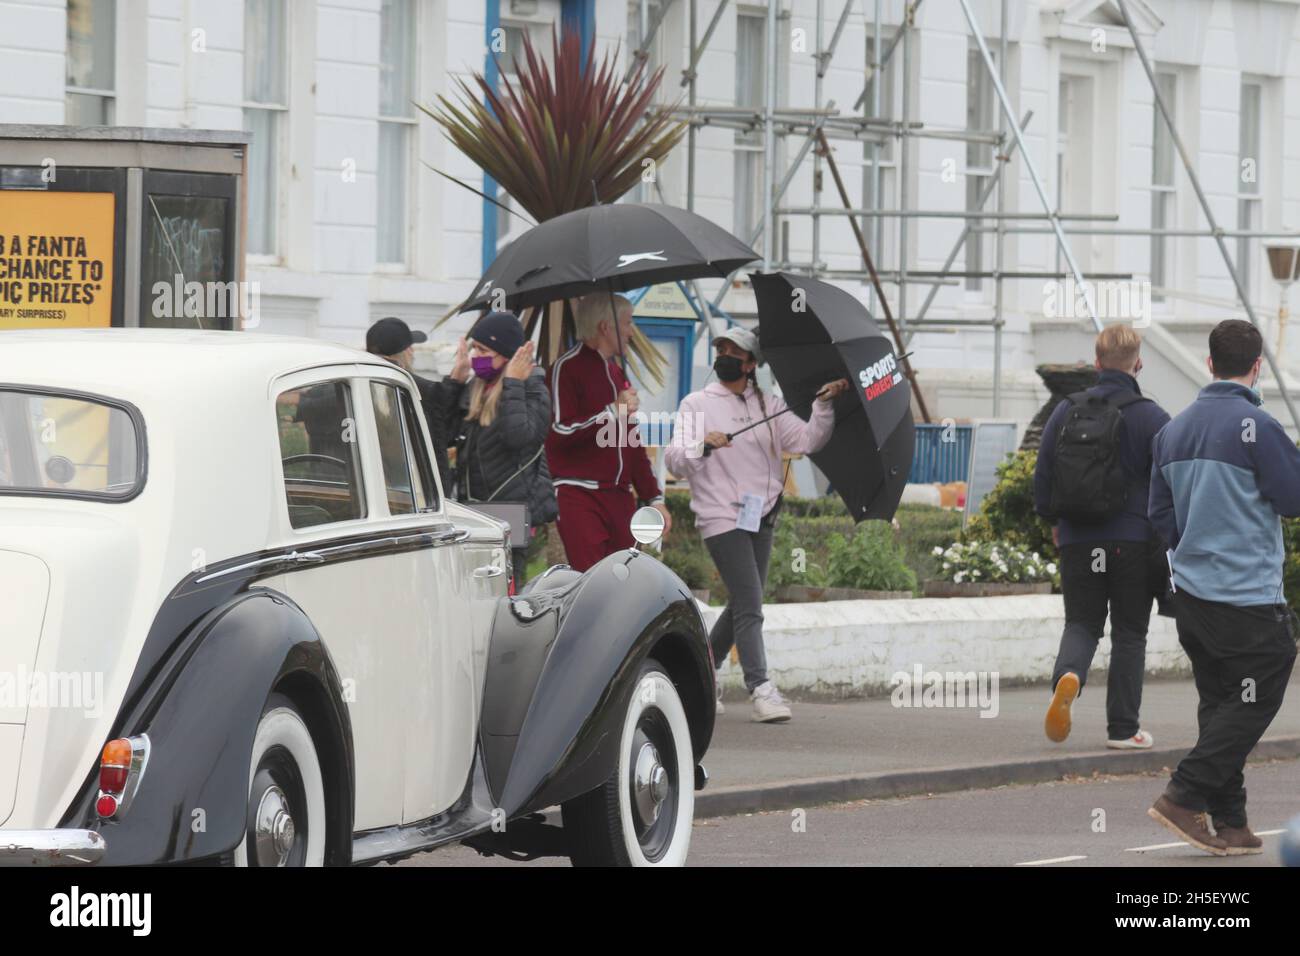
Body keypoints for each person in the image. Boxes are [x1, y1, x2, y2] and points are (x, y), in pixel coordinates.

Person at [1146, 319, 1299, 856]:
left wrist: (1194, 547)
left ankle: (1231, 822)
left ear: (1209, 363)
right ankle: (1183, 794)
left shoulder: (1172, 430)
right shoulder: (1257, 425)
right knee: (1261, 688)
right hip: (1248, 595)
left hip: (1192, 595)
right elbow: (1292, 498)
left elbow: (1159, 515)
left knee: (1222, 701)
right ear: (1257, 366)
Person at [664, 327, 848, 723]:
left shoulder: (770, 404)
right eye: (721, 349)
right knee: (751, 602)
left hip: (762, 514)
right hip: (719, 516)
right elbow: (674, 460)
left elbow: (805, 442)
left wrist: (823, 406)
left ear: (751, 364)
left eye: (734, 351)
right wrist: (703, 445)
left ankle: (701, 674)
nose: (724, 355)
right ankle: (761, 688)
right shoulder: (696, 403)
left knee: (743, 602)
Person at [1034, 325, 1171, 750]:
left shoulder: (1066, 411)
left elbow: (1044, 473)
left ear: (1096, 364)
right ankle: (1123, 730)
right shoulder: (1153, 416)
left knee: (1082, 623)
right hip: (1131, 542)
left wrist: (1053, 520)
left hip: (1079, 540)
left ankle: (1070, 676)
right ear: (1138, 363)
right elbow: (1170, 485)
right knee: (1129, 633)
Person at [545, 293, 671, 571]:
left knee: (623, 579)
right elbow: (559, 434)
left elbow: (631, 442)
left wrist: (654, 498)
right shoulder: (566, 369)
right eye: (627, 323)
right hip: (579, 494)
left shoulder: (617, 374)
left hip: (620, 496)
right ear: (605, 326)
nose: (631, 332)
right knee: (591, 581)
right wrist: (612, 411)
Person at [432, 311, 556, 587]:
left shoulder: (533, 387)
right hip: (473, 513)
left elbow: (519, 437)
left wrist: (513, 383)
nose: (477, 356)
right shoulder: (476, 388)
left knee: (502, 593)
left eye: (483, 349)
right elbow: (444, 435)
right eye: (475, 348)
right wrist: (454, 381)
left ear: (506, 353)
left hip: (509, 515)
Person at [365, 316, 453, 487]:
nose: (412, 352)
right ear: (406, 352)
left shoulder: (354, 383)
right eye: (410, 347)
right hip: (415, 491)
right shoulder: (418, 390)